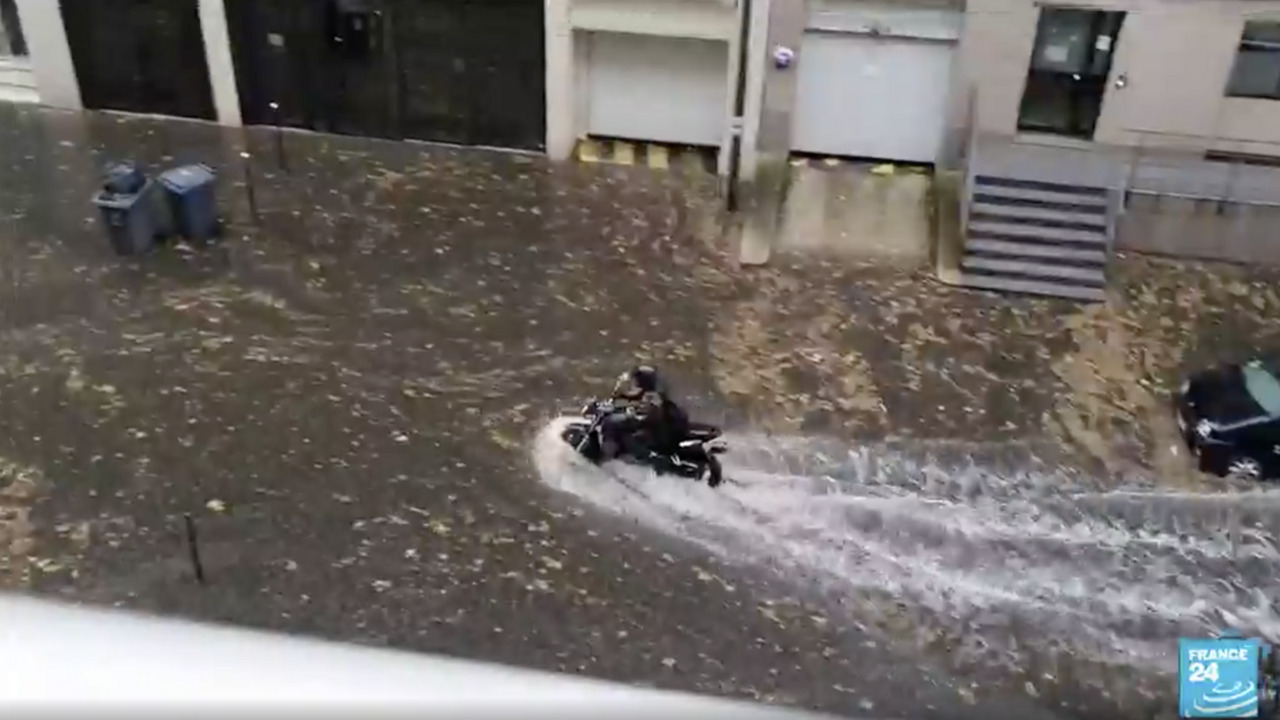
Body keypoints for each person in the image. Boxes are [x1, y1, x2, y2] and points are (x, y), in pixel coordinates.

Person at [605, 365, 690, 462]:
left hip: (658, 438)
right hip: (655, 432)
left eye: (635, 380)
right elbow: (629, 400)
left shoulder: (652, 398)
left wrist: (629, 418)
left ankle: (610, 460)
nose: (633, 383)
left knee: (621, 433)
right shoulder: (649, 394)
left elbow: (647, 417)